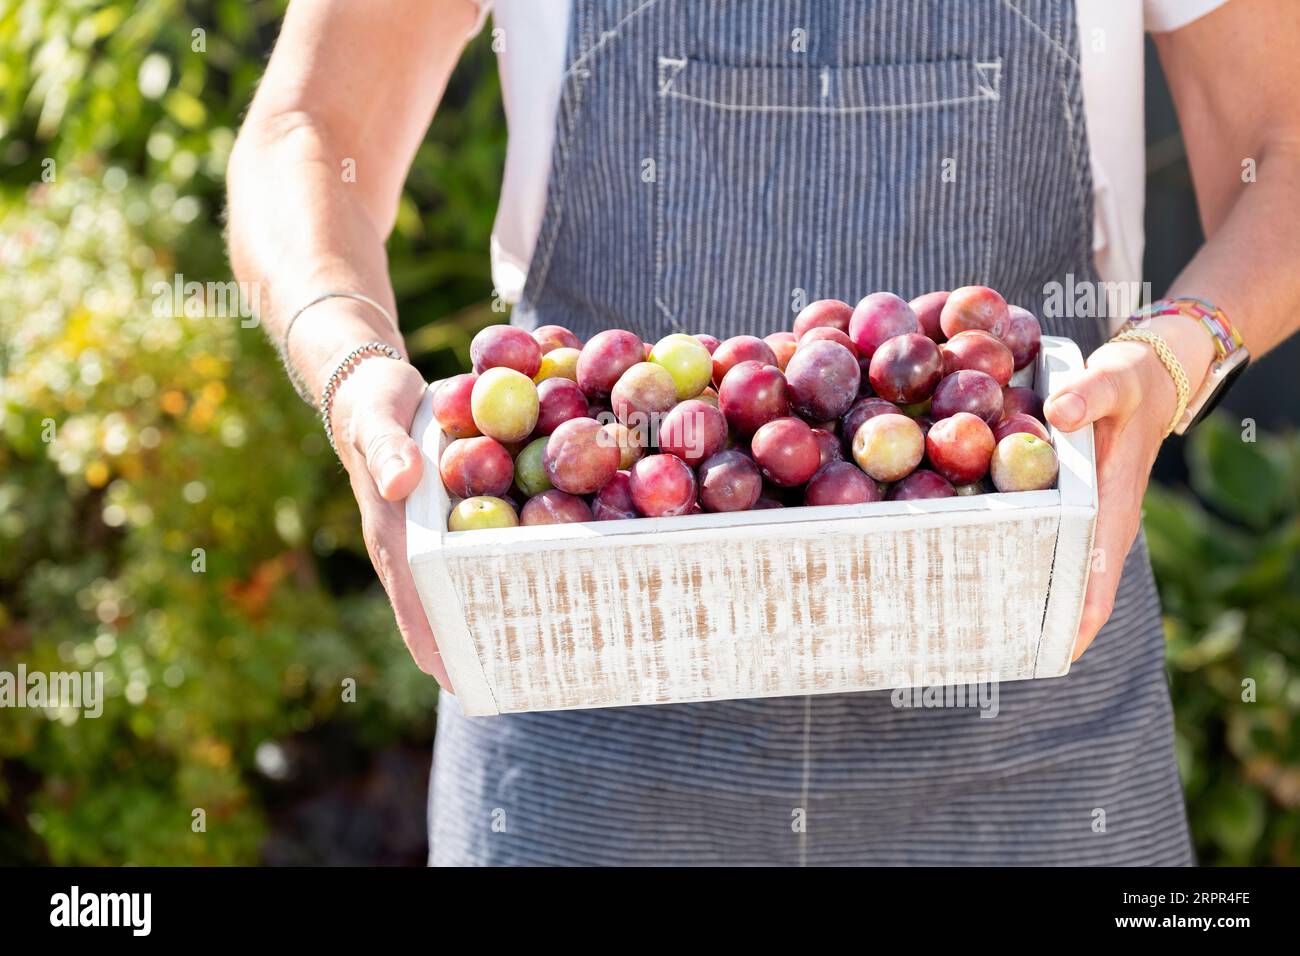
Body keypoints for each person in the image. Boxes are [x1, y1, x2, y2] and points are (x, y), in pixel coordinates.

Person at [227, 0, 1300, 865]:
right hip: (585, 711)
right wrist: (351, 364)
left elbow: (1282, 140)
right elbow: (308, 132)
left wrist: (1179, 349)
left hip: (1029, 724)